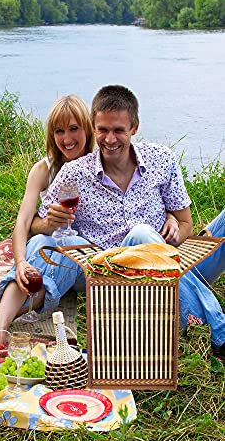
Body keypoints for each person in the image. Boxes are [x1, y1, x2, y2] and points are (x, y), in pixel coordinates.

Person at [34, 85, 225, 355]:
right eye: (102, 130)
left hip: (173, 270)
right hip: (123, 282)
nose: (110, 139)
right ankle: (218, 334)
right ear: (93, 126)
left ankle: (189, 296)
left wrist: (172, 233)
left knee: (155, 237)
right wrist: (50, 222)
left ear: (134, 127)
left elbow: (186, 225)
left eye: (119, 130)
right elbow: (37, 224)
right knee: (141, 235)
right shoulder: (75, 172)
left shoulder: (162, 160)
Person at [0, 94, 96, 333]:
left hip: (86, 263)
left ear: (88, 130)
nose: (67, 138)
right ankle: (0, 326)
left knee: (66, 242)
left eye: (74, 129)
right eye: (59, 131)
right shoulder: (44, 169)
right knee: (42, 242)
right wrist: (20, 261)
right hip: (52, 257)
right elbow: (23, 223)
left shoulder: (99, 165)